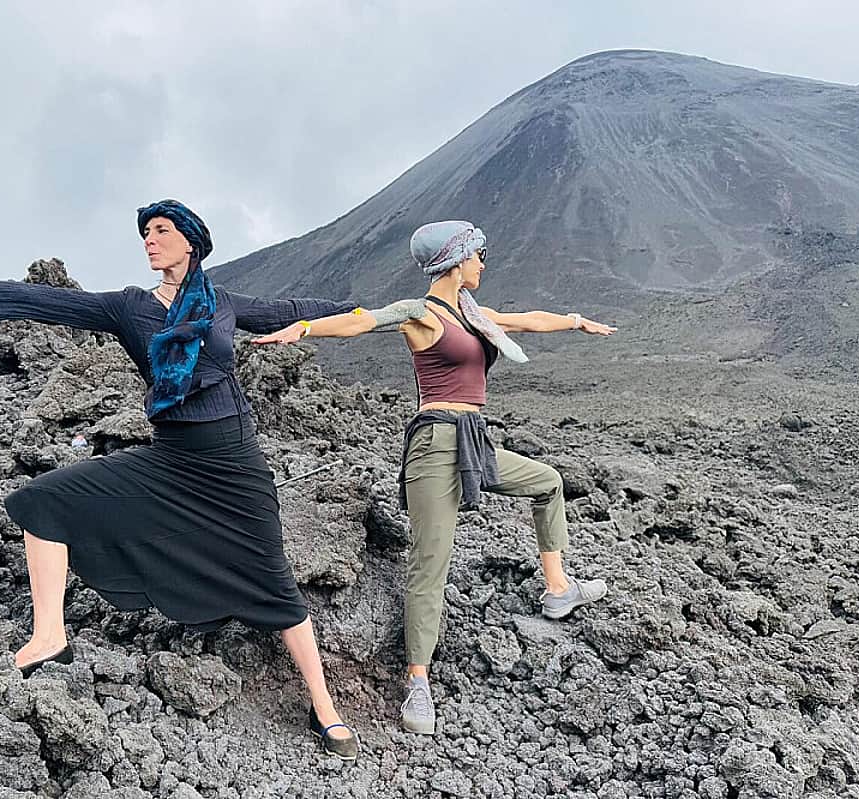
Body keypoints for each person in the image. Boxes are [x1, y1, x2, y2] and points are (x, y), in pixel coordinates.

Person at [0, 200, 359, 760]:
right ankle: (49, 634)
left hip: (235, 466)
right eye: (145, 233)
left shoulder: (222, 303)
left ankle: (324, 706)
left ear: (191, 241)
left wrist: (388, 311)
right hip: (172, 459)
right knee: (42, 500)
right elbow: (46, 302)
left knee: (275, 578)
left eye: (161, 231)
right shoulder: (129, 307)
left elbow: (297, 310)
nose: (149, 241)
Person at [252, 220, 616, 735]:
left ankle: (558, 587)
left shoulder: (475, 316)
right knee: (431, 562)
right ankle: (417, 683)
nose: (484, 264)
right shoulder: (421, 313)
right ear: (457, 260)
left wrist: (577, 321)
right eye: (479, 255)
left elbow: (528, 321)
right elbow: (362, 321)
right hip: (435, 444)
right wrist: (306, 329)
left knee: (548, 482)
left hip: (474, 437)